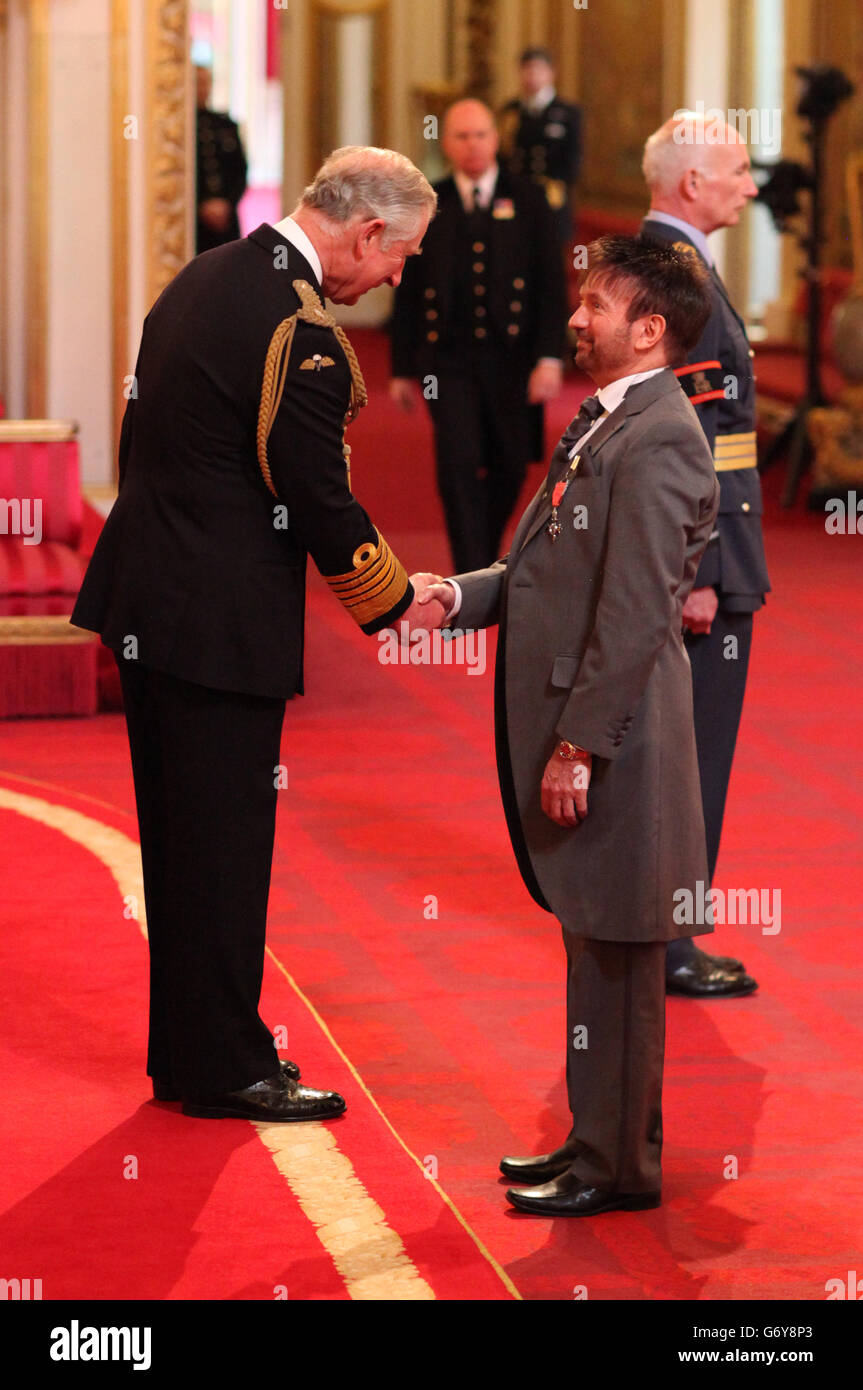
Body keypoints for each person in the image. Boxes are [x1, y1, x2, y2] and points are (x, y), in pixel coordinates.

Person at [72, 147, 442, 1123]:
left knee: (184, 847)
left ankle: (194, 1054)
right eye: (401, 255)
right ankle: (227, 1064)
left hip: (153, 601)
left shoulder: (204, 274)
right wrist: (399, 600)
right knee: (223, 851)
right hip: (217, 623)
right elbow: (316, 492)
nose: (397, 275)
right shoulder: (301, 328)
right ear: (365, 233)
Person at [414, 235, 719, 1215]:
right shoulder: (605, 419)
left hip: (619, 737)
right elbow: (542, 567)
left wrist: (579, 744)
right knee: (593, 945)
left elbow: (631, 612)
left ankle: (615, 1167)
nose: (575, 318)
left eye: (595, 304)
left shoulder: (661, 433)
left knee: (619, 955)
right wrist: (449, 597)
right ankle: (597, 1140)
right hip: (593, 725)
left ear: (649, 329)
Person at [641, 113, 770, 999]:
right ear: (690, 183)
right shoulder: (679, 279)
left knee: (686, 758)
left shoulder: (671, 267)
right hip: (706, 569)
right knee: (693, 762)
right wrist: (697, 572)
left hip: (712, 558)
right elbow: (687, 446)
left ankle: (666, 931)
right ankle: (671, 942)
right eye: (735, 170)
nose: (750, 185)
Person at [390, 98, 566, 574]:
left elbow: (552, 285)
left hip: (514, 358)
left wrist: (551, 357)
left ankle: (485, 551)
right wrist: (403, 368)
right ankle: (471, 574)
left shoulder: (529, 198)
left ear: (496, 139)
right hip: (446, 361)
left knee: (510, 464)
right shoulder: (430, 201)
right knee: (458, 463)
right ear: (446, 143)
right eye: (462, 136)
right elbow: (407, 289)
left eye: (481, 134)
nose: (472, 145)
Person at [498, 47, 582, 248]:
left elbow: (573, 160)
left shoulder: (567, 112)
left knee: (549, 258)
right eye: (526, 69)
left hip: (550, 197)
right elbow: (502, 156)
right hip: (514, 196)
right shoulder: (510, 111)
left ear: (551, 73)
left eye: (538, 69)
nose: (532, 76)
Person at [195, 64, 248, 254]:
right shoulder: (179, 129)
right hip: (195, 222)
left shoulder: (226, 126)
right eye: (197, 83)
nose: (203, 88)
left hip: (226, 220)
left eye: (206, 83)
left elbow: (240, 170)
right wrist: (201, 204)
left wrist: (227, 203)